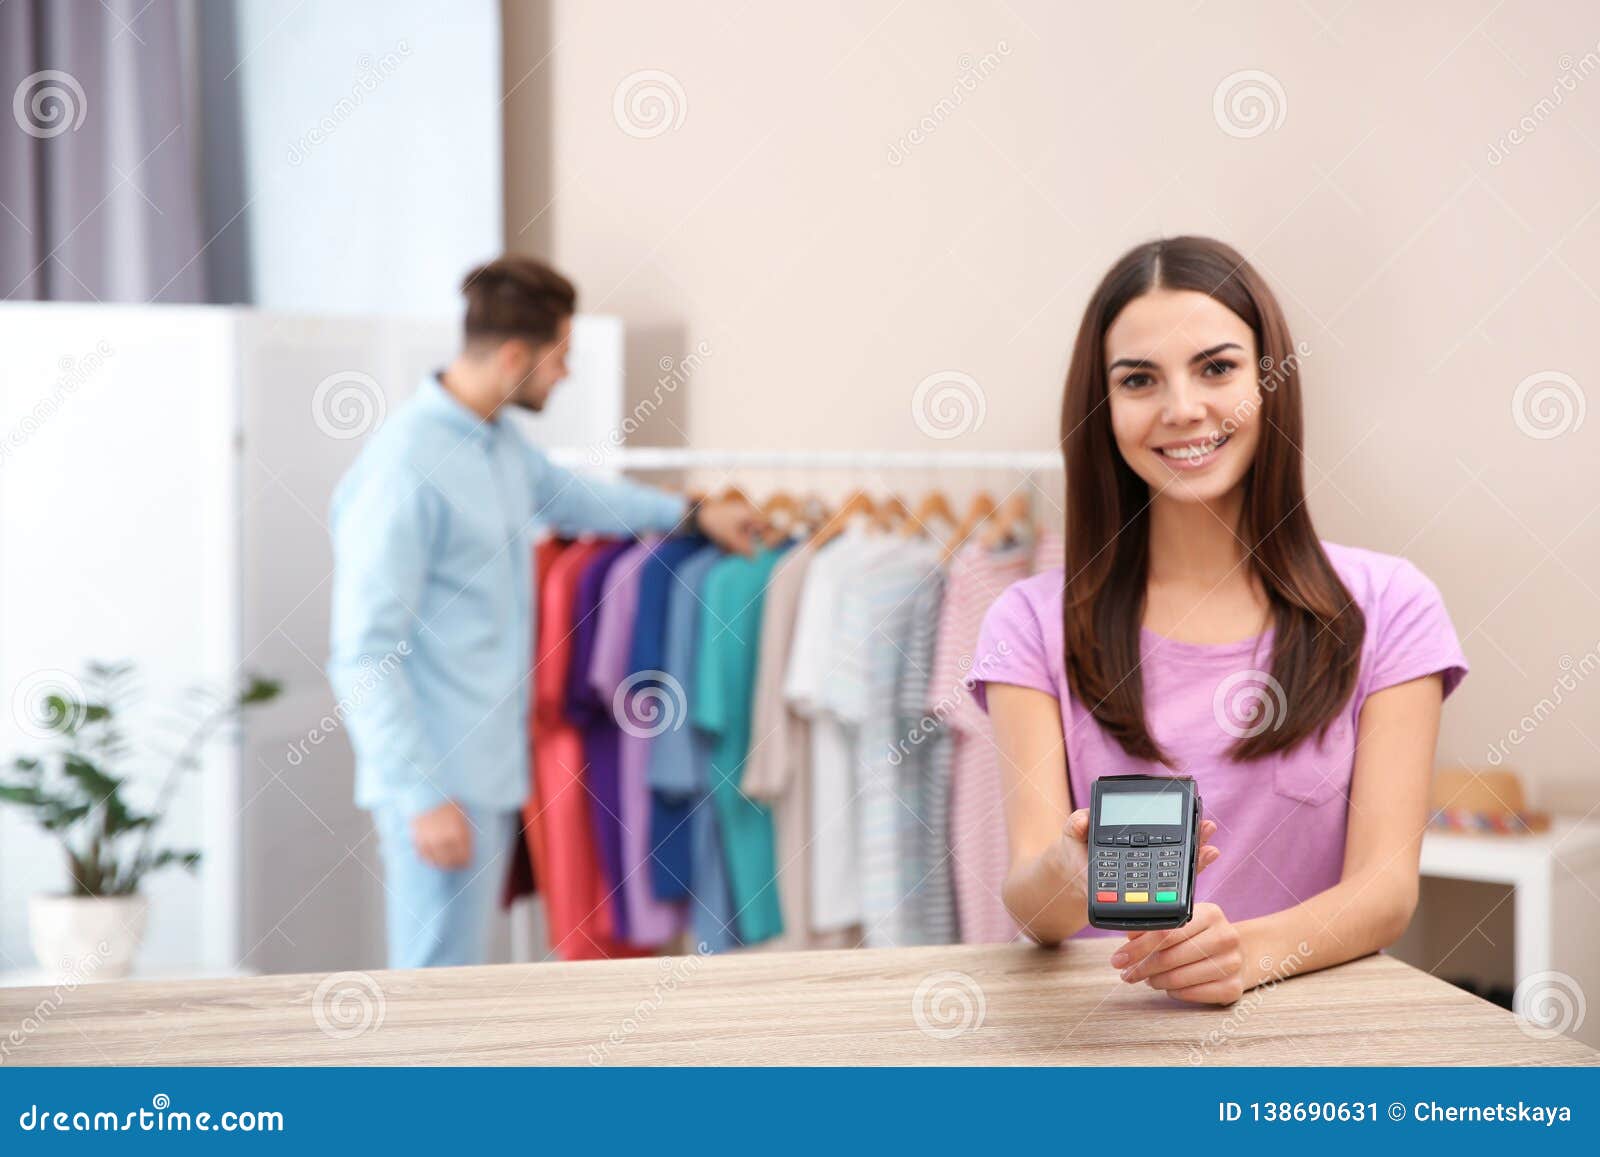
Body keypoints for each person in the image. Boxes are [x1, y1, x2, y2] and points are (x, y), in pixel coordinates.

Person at [972, 236, 1468, 1005]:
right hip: (1099, 1052)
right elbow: (1033, 906)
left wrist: (1247, 953)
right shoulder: (1028, 620)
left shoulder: (1392, 605)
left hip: (1305, 1049)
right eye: (1139, 380)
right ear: (1103, 409)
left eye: (1217, 367)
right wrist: (1068, 875)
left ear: (1270, 381)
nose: (1182, 409)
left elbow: (1384, 889)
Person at [327, 255, 758, 969]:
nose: (567, 376)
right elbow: (363, 652)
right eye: (562, 358)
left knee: (460, 985)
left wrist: (691, 514)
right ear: (516, 355)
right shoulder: (404, 468)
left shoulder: (496, 443)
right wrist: (419, 794)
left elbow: (574, 498)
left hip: (493, 768)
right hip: (441, 778)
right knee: (433, 992)